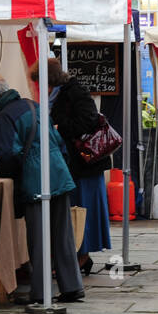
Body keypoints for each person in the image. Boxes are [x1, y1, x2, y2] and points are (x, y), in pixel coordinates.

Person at [0, 73, 83, 306]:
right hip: (58, 170)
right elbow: (57, 138)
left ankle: (41, 293)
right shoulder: (33, 105)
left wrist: (4, 175)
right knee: (62, 235)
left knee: (38, 239)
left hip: (35, 178)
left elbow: (7, 153)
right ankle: (72, 286)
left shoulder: (5, 116)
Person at [44, 56, 113, 275]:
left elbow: (89, 120)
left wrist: (59, 126)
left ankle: (81, 256)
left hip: (84, 163)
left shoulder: (75, 92)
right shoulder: (60, 94)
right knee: (74, 209)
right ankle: (75, 255)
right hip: (73, 163)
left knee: (82, 209)